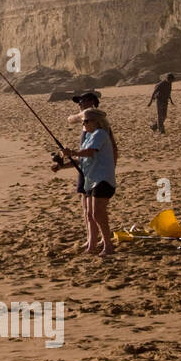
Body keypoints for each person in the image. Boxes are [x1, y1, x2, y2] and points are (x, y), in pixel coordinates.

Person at [62, 107, 118, 257]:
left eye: (86, 121)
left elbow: (90, 152)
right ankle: (95, 244)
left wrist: (72, 152)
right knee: (93, 214)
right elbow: (82, 159)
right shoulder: (89, 136)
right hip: (92, 180)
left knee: (98, 213)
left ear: (96, 122)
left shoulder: (100, 134)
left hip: (103, 179)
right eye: (83, 121)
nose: (84, 124)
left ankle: (108, 245)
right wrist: (62, 166)